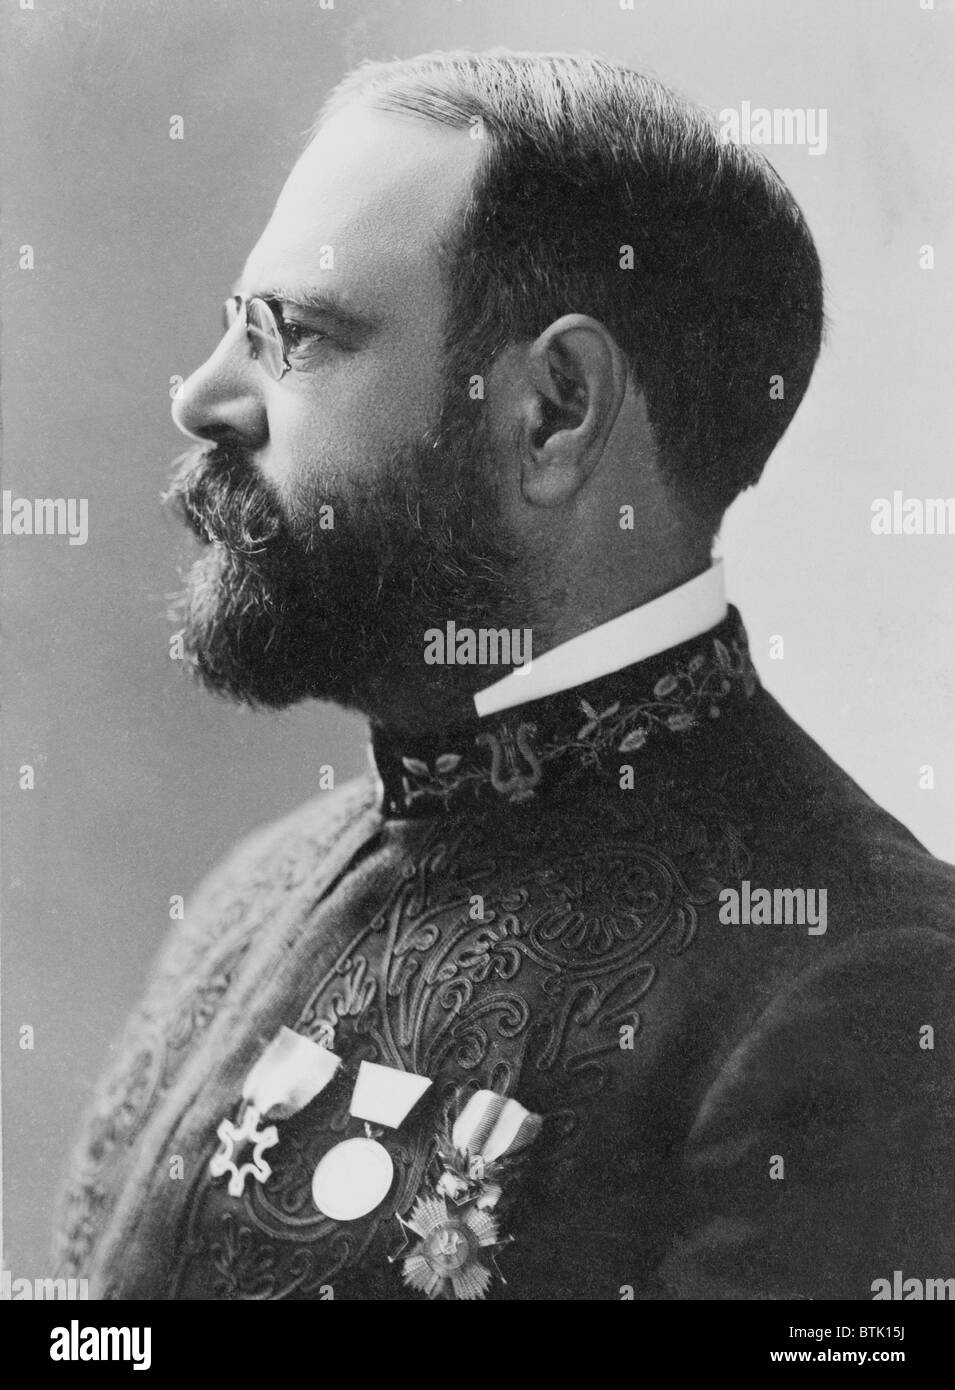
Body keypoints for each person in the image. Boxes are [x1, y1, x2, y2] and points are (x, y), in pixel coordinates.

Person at [55, 50, 955, 1301]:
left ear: (552, 412)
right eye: (232, 325)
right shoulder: (246, 895)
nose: (205, 396)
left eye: (293, 336)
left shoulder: (865, 997)